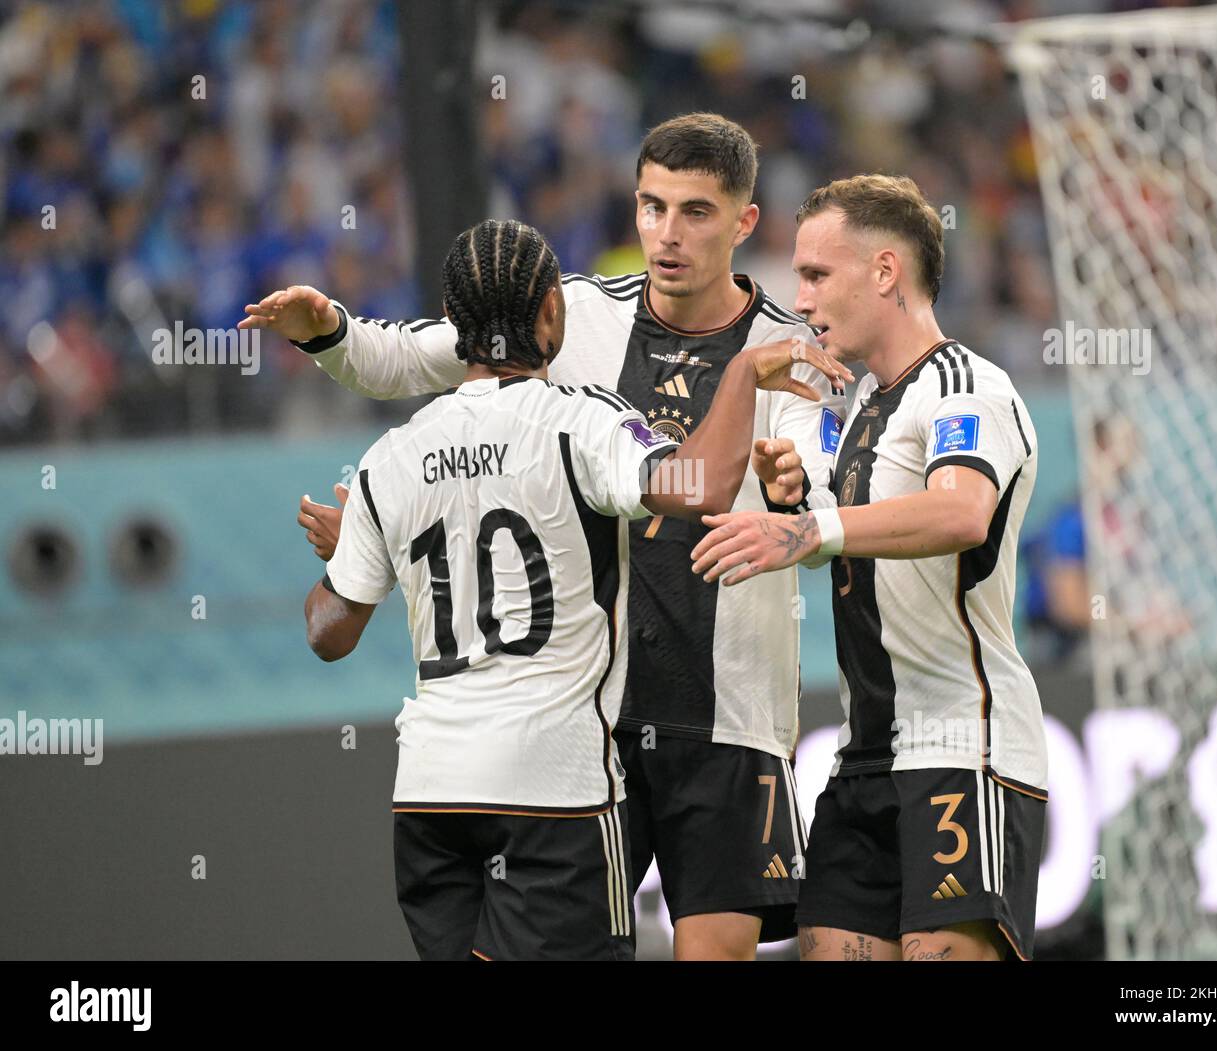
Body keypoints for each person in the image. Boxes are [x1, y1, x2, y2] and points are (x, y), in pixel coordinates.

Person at [245, 113, 846, 959]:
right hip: (594, 724)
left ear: (745, 222)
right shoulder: (579, 315)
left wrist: (794, 500)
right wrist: (329, 331)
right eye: (652, 207)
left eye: (696, 213)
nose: (667, 235)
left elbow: (822, 514)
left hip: (728, 714)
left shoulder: (788, 353)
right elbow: (415, 355)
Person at [690, 174, 1048, 961]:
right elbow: (857, 550)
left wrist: (810, 527)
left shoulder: (967, 386)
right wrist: (797, 497)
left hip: (961, 747)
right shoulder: (863, 411)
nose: (801, 296)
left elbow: (961, 512)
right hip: (865, 758)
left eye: (817, 274)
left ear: (885, 272)